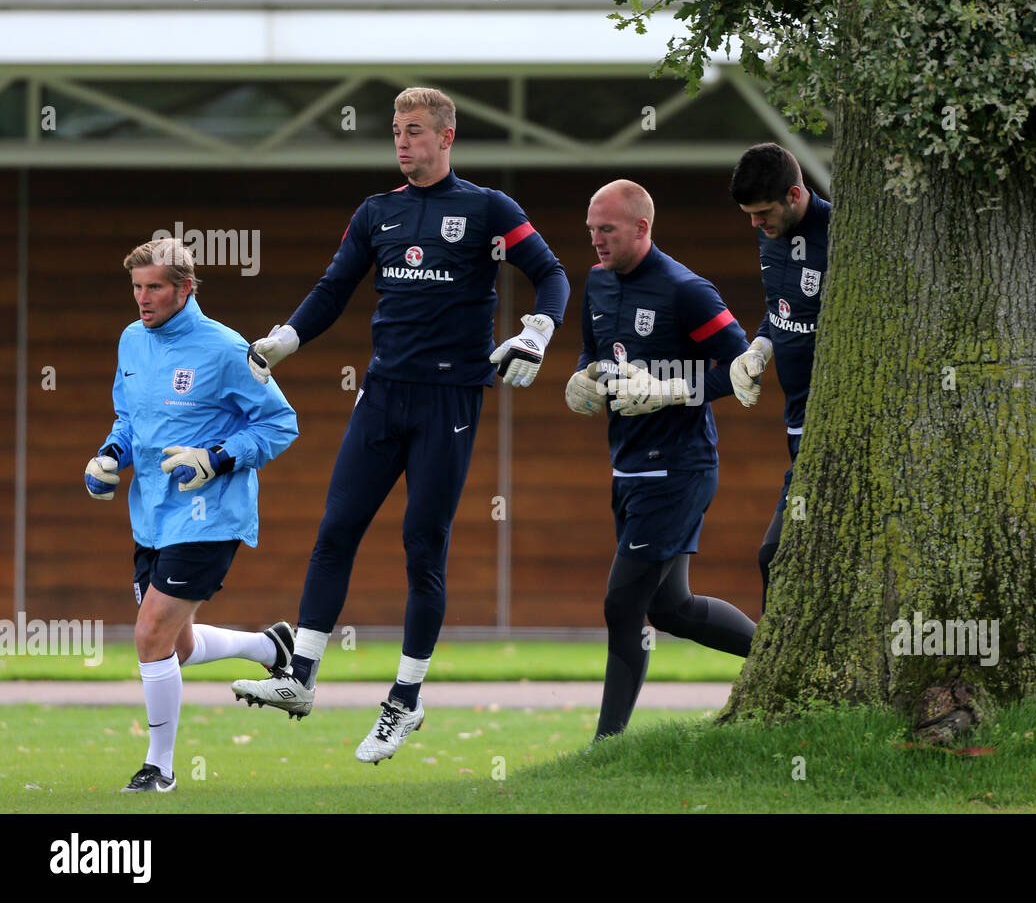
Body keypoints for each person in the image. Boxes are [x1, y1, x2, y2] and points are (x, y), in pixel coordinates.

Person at [232, 86, 570, 764]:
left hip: (450, 401)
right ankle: (299, 677)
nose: (403, 141)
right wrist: (285, 339)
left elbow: (552, 274)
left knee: (423, 546)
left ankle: (405, 702)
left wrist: (538, 330)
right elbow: (333, 291)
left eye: (415, 131)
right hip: (382, 395)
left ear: (447, 137)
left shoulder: (487, 208)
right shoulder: (376, 213)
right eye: (396, 131)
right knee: (335, 530)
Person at [86, 237, 299, 793]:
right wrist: (110, 456)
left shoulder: (227, 349)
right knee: (173, 646)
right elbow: (129, 419)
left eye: (154, 286)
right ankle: (268, 647)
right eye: (136, 287)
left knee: (151, 634)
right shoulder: (131, 342)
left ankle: (160, 767)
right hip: (151, 516)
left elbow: (280, 425)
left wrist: (218, 457)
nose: (142, 298)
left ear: (185, 287)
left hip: (209, 516)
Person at [566, 179, 755, 741]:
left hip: (679, 468)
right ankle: (782, 658)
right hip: (627, 468)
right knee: (671, 610)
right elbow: (593, 354)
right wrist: (583, 378)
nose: (596, 240)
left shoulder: (685, 290)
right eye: (591, 230)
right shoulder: (597, 284)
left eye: (607, 230)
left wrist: (673, 389)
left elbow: (742, 368)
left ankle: (606, 744)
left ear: (642, 228)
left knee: (621, 605)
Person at [727, 144, 830, 614]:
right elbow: (782, 311)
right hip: (795, 423)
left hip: (831, 428)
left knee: (778, 554)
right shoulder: (769, 234)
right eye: (749, 215)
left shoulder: (840, 234)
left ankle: (771, 667)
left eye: (763, 212)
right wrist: (760, 347)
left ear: (794, 194)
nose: (755, 224)